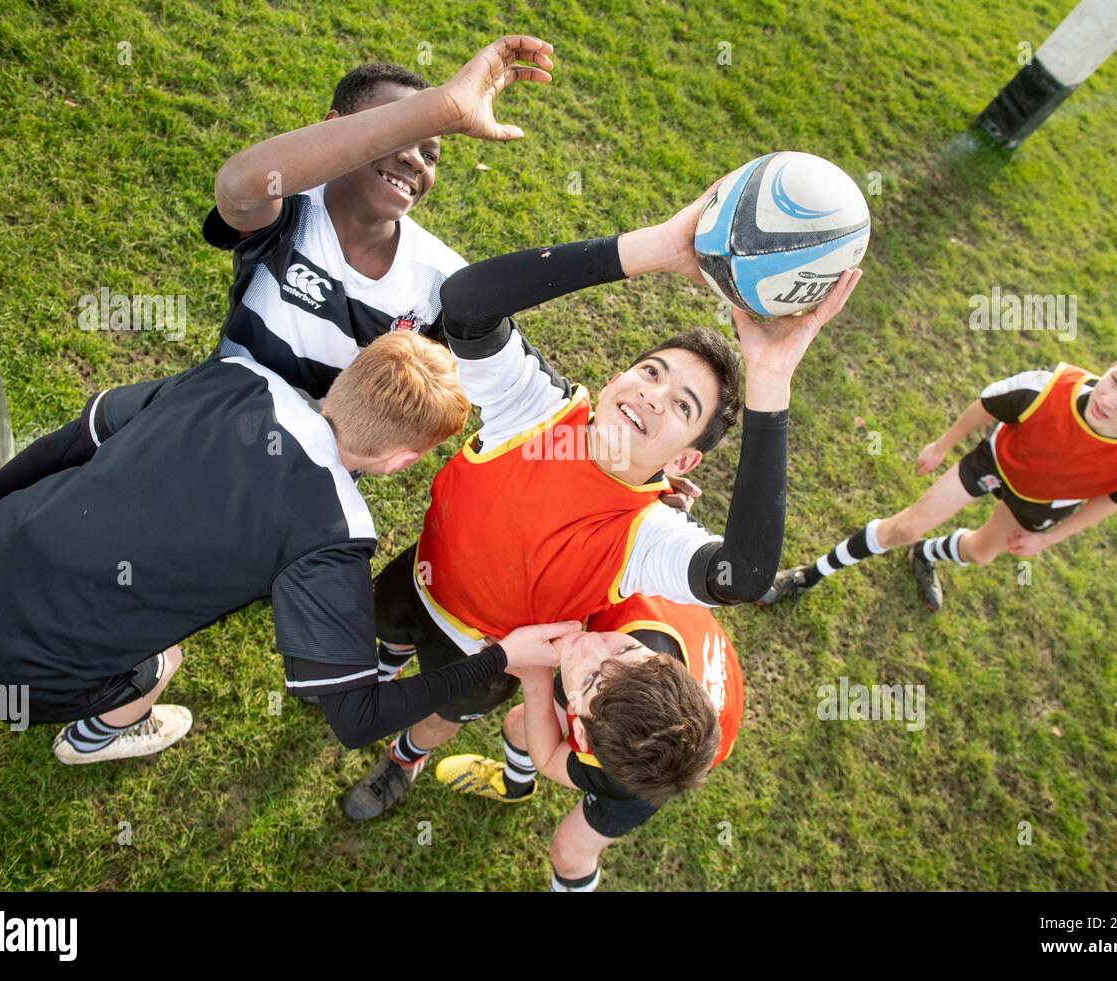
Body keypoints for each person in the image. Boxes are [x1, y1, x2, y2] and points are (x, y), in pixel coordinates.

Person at [342, 185, 861, 820]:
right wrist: (654, 248)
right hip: (418, 576)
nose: (653, 395)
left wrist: (771, 379)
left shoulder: (648, 536)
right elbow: (466, 306)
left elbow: (744, 576)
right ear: (619, 377)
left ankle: (402, 758)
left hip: (491, 654)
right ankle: (380, 672)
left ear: (684, 461)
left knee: (440, 715)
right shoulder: (537, 409)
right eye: (651, 372)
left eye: (682, 406)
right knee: (383, 634)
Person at [0, 333, 574, 762]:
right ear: (404, 458)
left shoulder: (235, 375)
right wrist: (499, 655)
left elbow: (71, 441)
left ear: (349, 375)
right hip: (17, 678)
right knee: (164, 659)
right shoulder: (334, 532)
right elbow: (353, 715)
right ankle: (98, 735)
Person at [206, 34, 554, 399]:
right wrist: (445, 107)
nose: (416, 159)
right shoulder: (290, 209)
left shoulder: (440, 279)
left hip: (325, 455)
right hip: (213, 414)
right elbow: (237, 188)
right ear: (334, 129)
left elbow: (483, 382)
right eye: (399, 134)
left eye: (431, 154)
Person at [757, 342, 1117, 611]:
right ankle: (807, 575)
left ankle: (927, 555)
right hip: (996, 463)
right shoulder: (1043, 388)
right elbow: (986, 406)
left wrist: (1048, 539)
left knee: (979, 554)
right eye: (1115, 380)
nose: (1110, 400)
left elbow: (1110, 501)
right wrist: (942, 444)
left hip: (1041, 502)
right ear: (1114, 364)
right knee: (907, 524)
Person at [436, 594, 743, 891]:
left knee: (569, 855)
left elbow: (549, 758)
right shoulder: (630, 643)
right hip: (697, 672)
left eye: (588, 680)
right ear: (657, 658)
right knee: (519, 727)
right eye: (624, 650)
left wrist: (535, 679)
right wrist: (593, 674)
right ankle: (514, 786)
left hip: (699, 726)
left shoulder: (624, 771)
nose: (589, 644)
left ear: (582, 735)